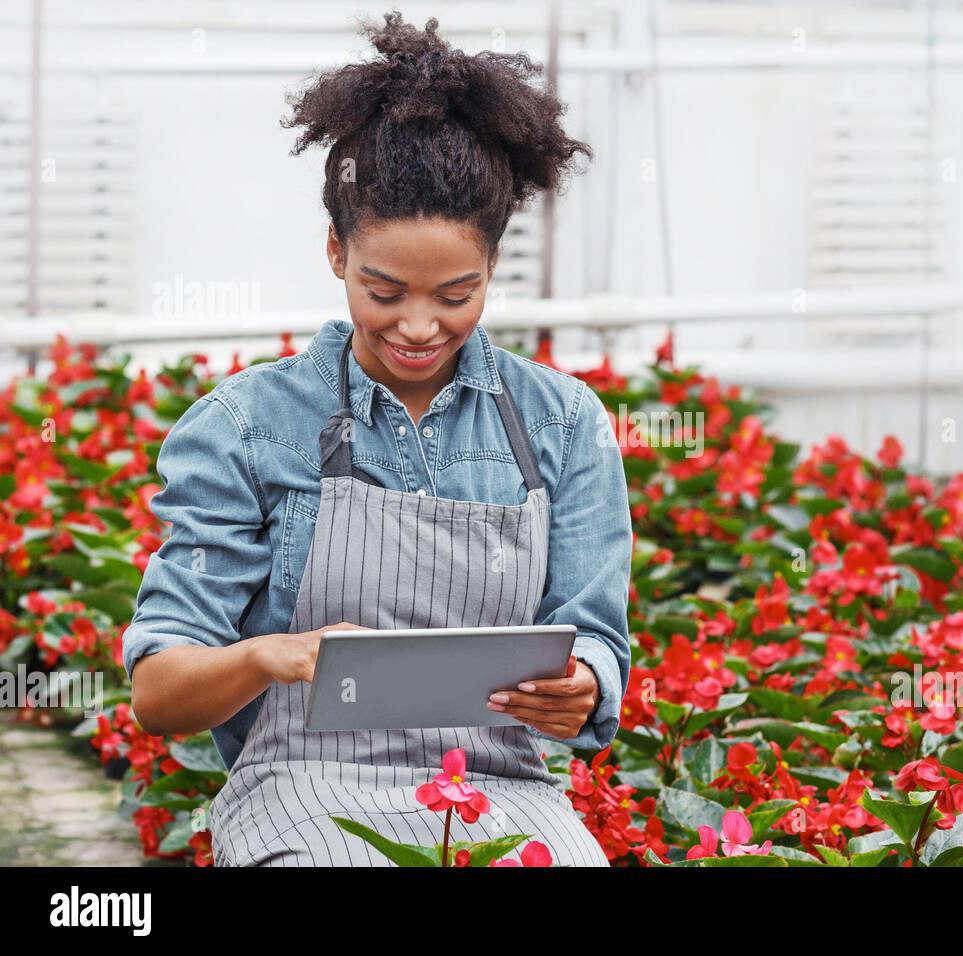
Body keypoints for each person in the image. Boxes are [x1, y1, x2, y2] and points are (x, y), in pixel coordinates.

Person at [122, 12, 630, 867]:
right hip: (298, 788)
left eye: (457, 293)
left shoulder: (563, 424)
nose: (421, 326)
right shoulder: (246, 428)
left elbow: (596, 643)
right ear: (335, 252)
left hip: (502, 789)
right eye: (385, 291)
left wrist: (583, 686)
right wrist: (269, 656)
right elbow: (158, 695)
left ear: (492, 269)